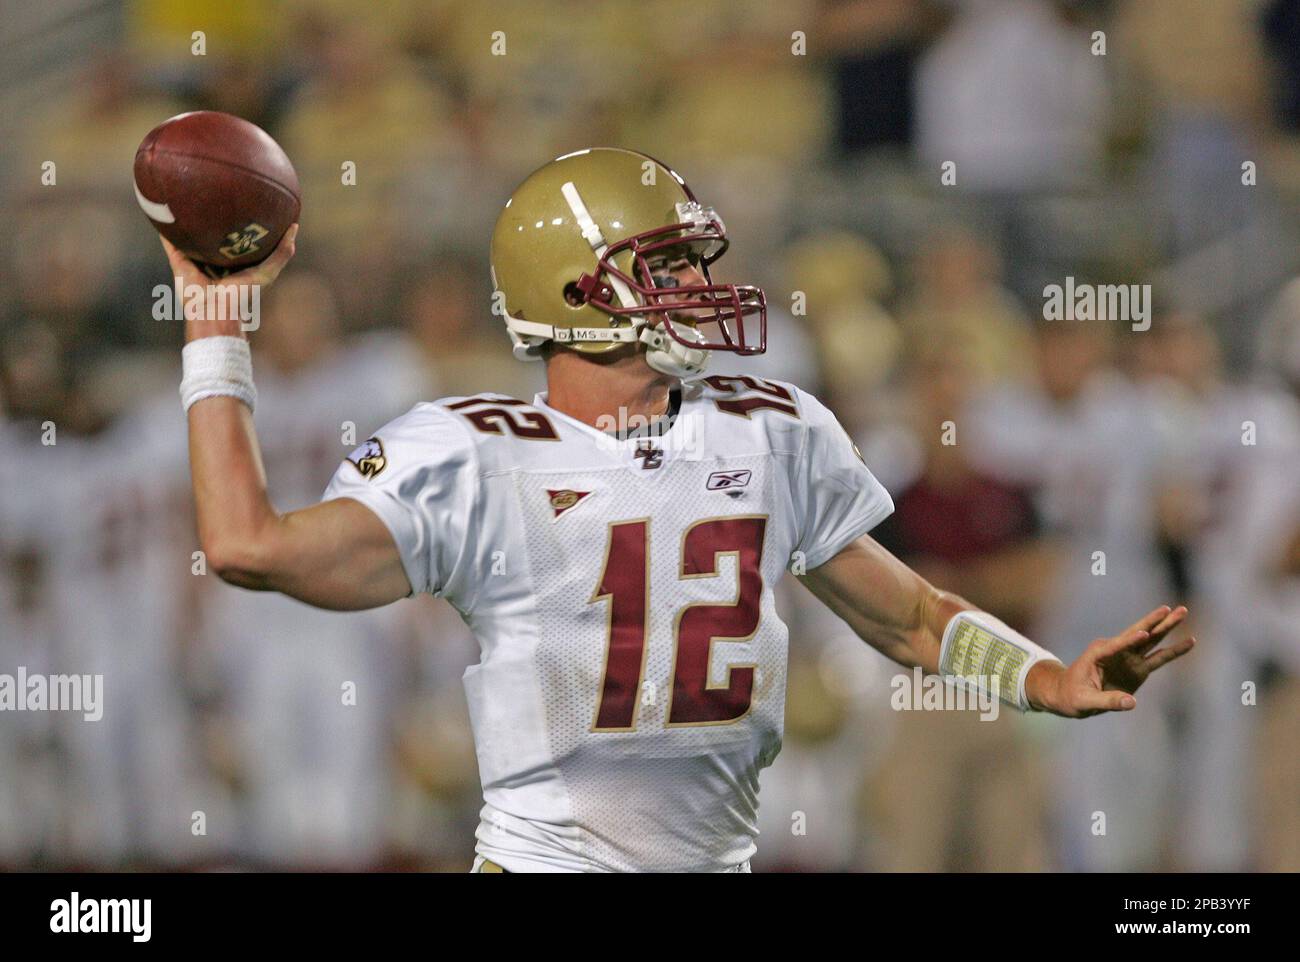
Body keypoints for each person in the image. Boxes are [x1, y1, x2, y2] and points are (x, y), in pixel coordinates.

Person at [162, 147, 1195, 873]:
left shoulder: (770, 428)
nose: (699, 286)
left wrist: (1045, 678)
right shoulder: (473, 452)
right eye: (664, 266)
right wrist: (216, 328)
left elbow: (913, 616)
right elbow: (249, 546)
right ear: (573, 291)